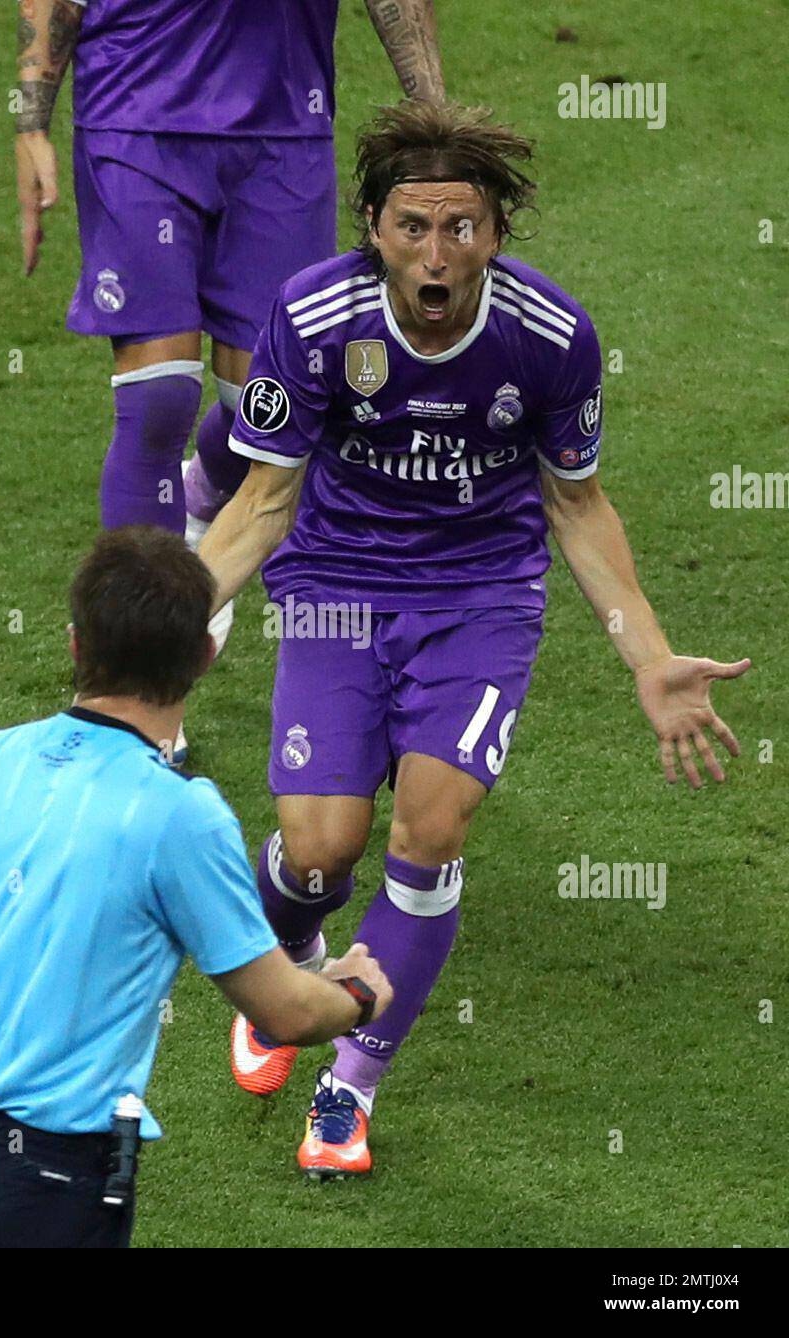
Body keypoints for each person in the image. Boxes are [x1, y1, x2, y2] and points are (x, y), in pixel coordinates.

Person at [197, 101, 750, 1179]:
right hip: (337, 587)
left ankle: (347, 1089)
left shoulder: (548, 337)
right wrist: (168, 630)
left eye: (461, 227)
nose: (436, 253)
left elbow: (577, 506)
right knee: (316, 853)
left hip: (478, 595)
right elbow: (263, 500)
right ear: (371, 226)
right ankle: (290, 965)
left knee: (429, 831)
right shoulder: (312, 318)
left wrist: (648, 656)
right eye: (412, 226)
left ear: (496, 233)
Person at [0, 527, 391, 1246]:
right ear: (204, 655)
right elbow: (285, 1013)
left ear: (76, 644)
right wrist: (356, 993)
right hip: (52, 1194)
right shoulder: (179, 815)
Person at [13, 1, 445, 692]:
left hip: (281, 126)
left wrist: (434, 121)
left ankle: (204, 492)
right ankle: (137, 686)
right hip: (135, 112)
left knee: (267, 411)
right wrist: (31, 123)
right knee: (158, 399)